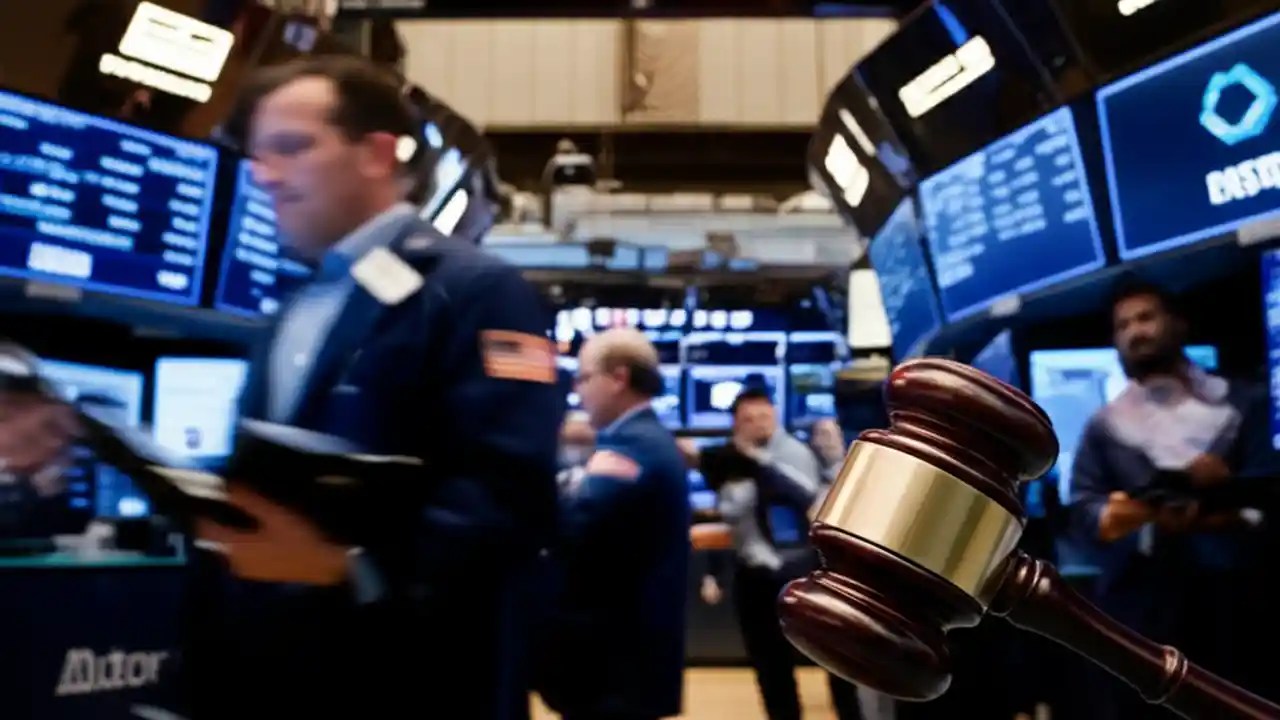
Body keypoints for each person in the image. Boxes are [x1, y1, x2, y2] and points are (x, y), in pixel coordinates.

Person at [172, 55, 563, 718]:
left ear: (377, 153)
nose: (264, 175)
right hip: (281, 673)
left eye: (291, 148)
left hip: (413, 676)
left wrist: (349, 565)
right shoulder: (298, 304)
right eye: (256, 154)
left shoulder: (475, 290)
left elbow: (509, 494)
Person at [1070, 280, 1276, 718]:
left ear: (1178, 325)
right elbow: (1086, 511)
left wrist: (1220, 497)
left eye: (1145, 318)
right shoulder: (1103, 428)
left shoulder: (1244, 405)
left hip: (1238, 609)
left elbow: (1269, 495)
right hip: (1142, 617)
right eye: (1123, 325)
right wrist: (1147, 518)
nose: (1134, 332)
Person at [537, 328, 690, 720]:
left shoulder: (633, 446)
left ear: (619, 378)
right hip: (623, 661)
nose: (578, 389)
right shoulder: (641, 439)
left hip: (614, 665)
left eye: (586, 377)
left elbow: (573, 523)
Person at [683, 389, 862, 720]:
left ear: (775, 416)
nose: (757, 425)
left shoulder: (792, 453)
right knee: (769, 667)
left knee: (833, 665)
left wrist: (756, 461)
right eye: (748, 419)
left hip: (802, 571)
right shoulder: (729, 458)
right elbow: (723, 505)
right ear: (735, 423)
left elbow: (807, 500)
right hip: (753, 574)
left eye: (763, 416)